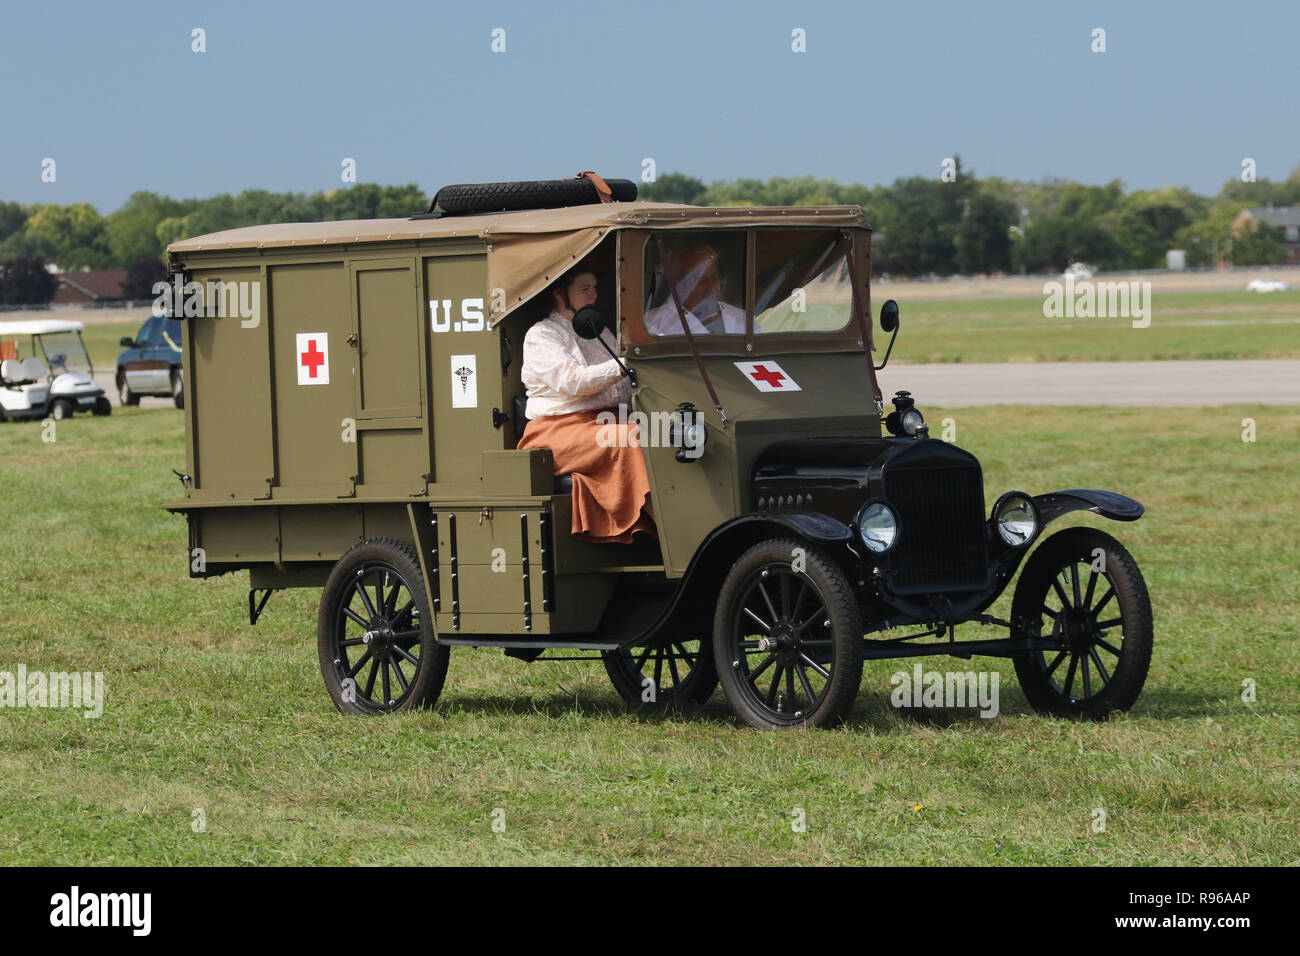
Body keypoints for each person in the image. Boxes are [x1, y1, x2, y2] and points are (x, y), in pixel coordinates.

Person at [517, 264, 655, 544]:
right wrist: (625, 366)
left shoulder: (600, 331)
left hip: (609, 421)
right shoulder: (542, 335)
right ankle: (665, 527)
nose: (593, 295)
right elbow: (573, 382)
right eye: (584, 288)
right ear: (559, 294)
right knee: (632, 438)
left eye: (594, 287)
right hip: (557, 430)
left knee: (668, 432)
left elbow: (625, 386)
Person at [644, 242, 746, 336]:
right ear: (679, 284)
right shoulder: (653, 325)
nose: (711, 288)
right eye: (702, 280)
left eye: (714, 278)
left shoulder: (743, 319)